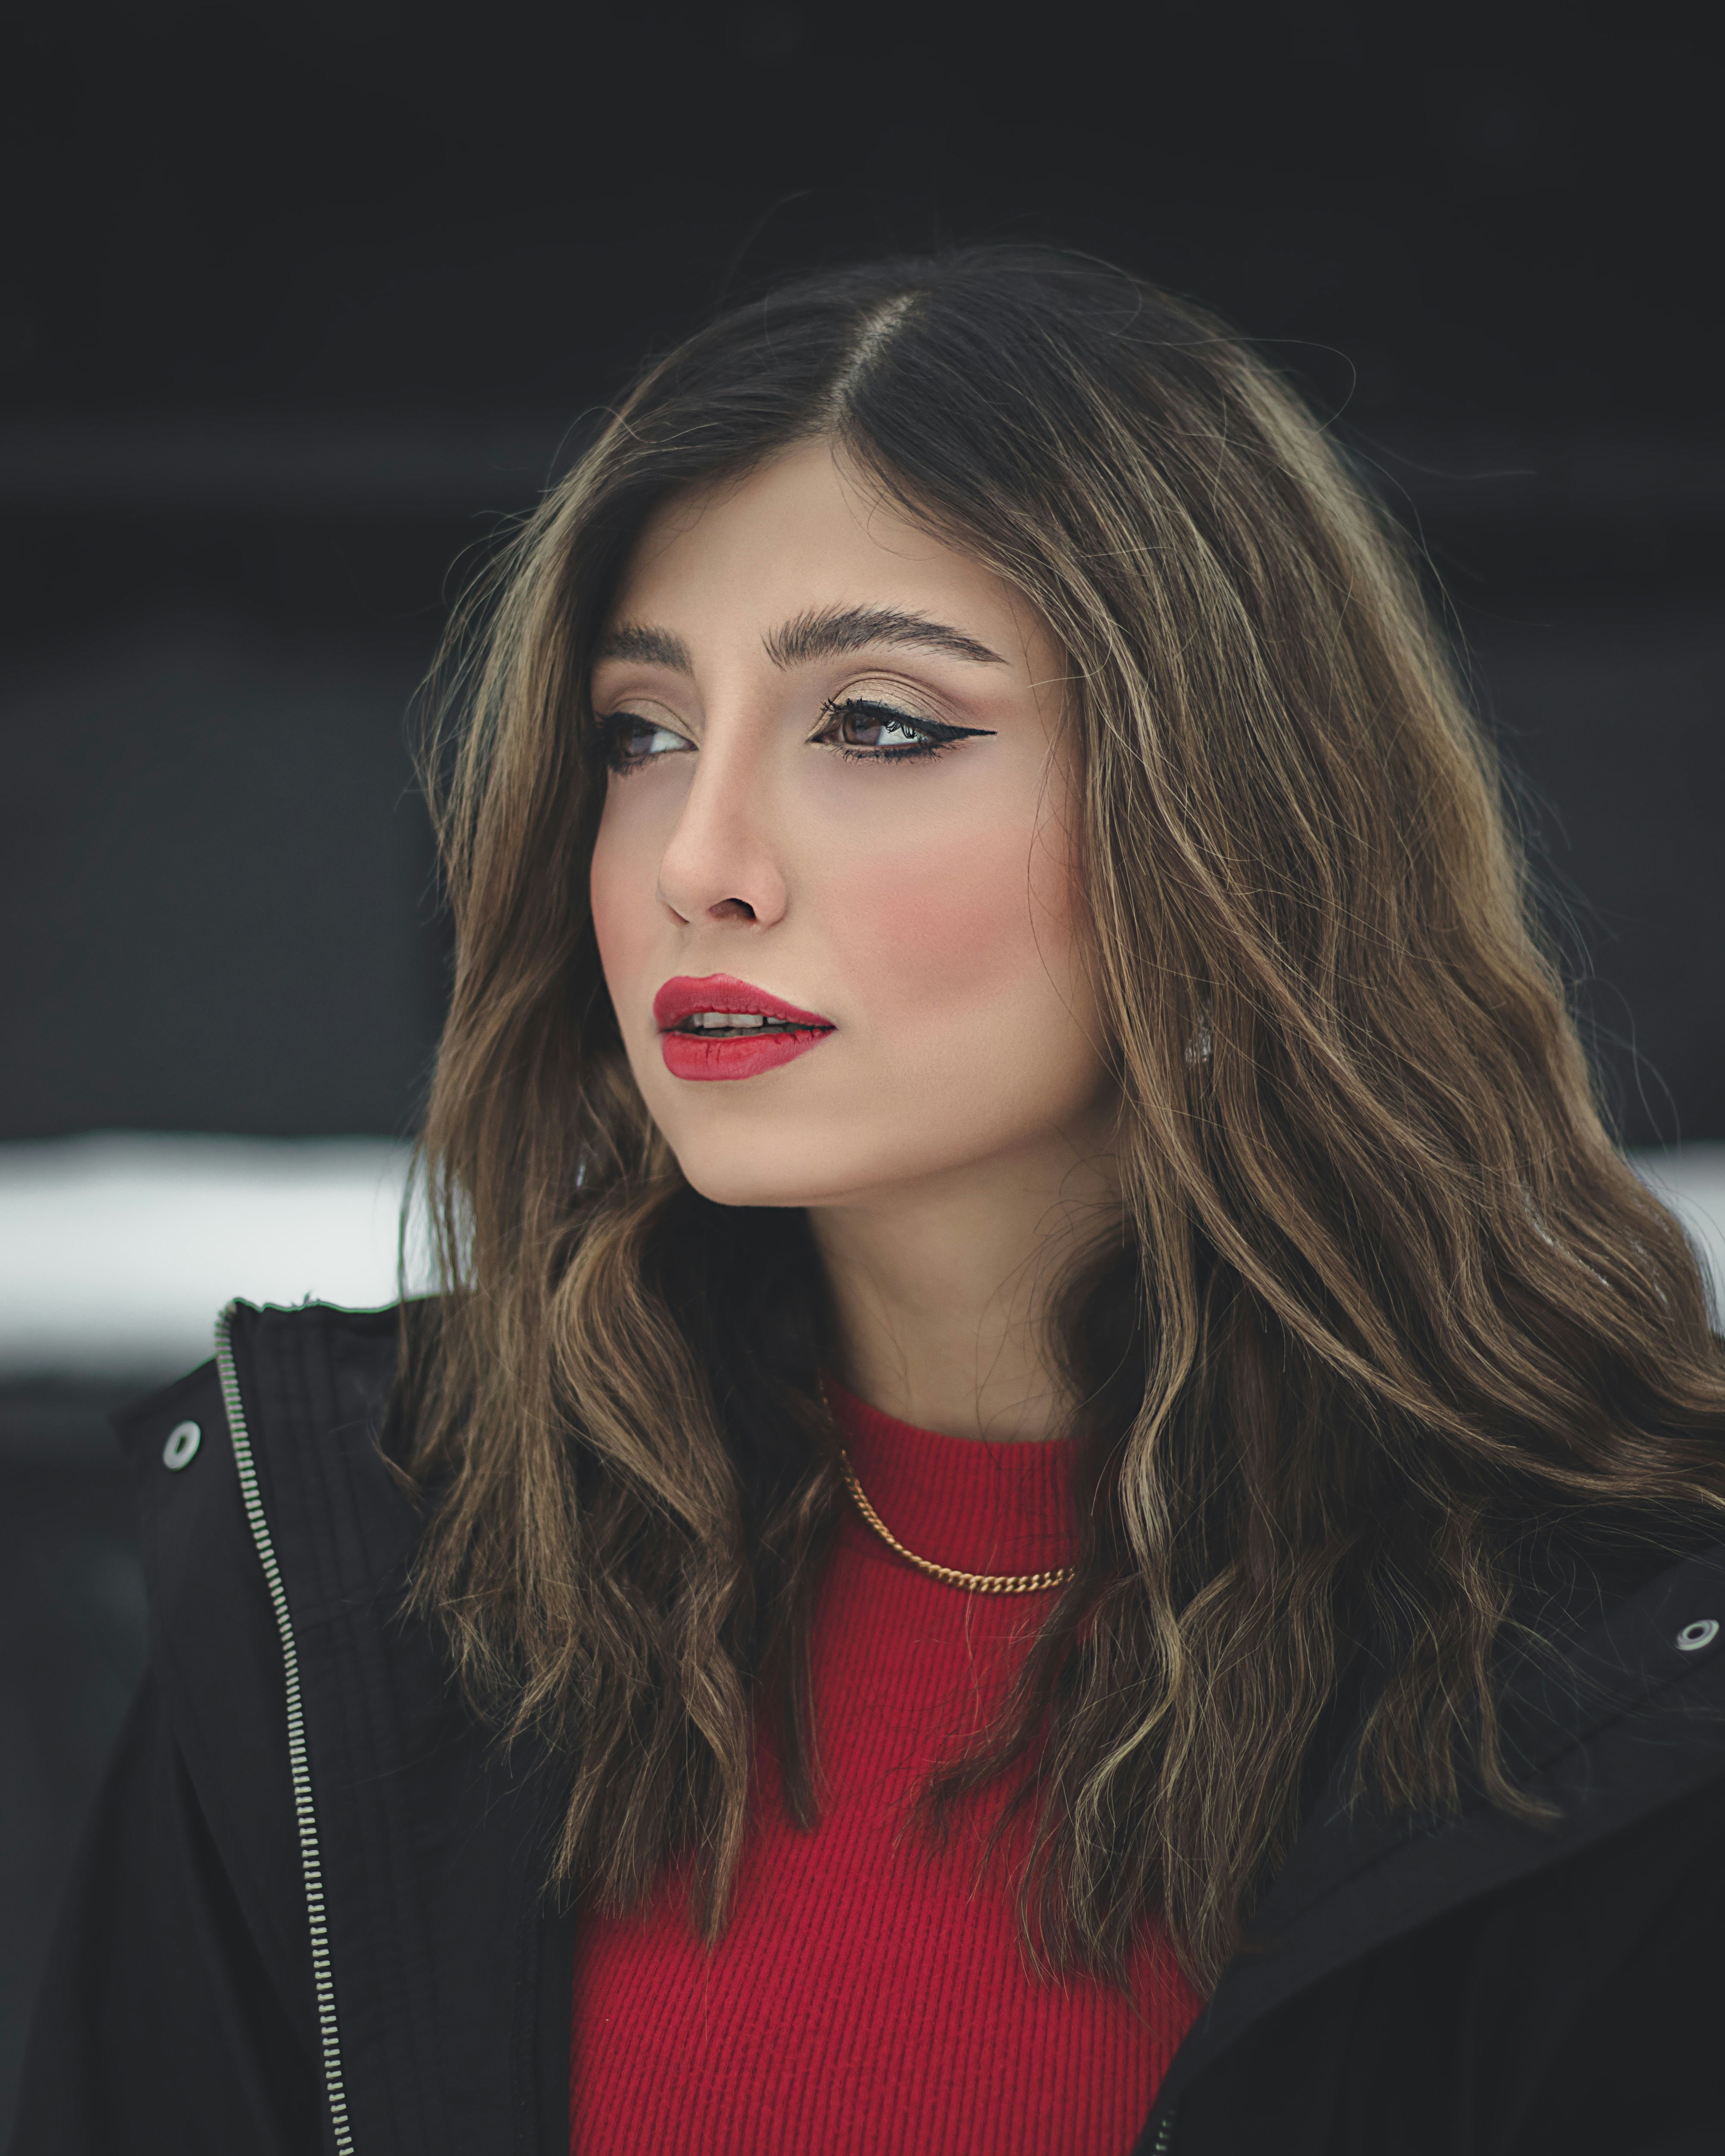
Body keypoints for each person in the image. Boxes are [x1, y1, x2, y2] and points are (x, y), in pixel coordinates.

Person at [12, 247, 1725, 2156]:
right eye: (640, 734)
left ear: (1229, 810)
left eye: (881, 723)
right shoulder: (349, 1575)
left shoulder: (1632, 1658)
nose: (703, 859)